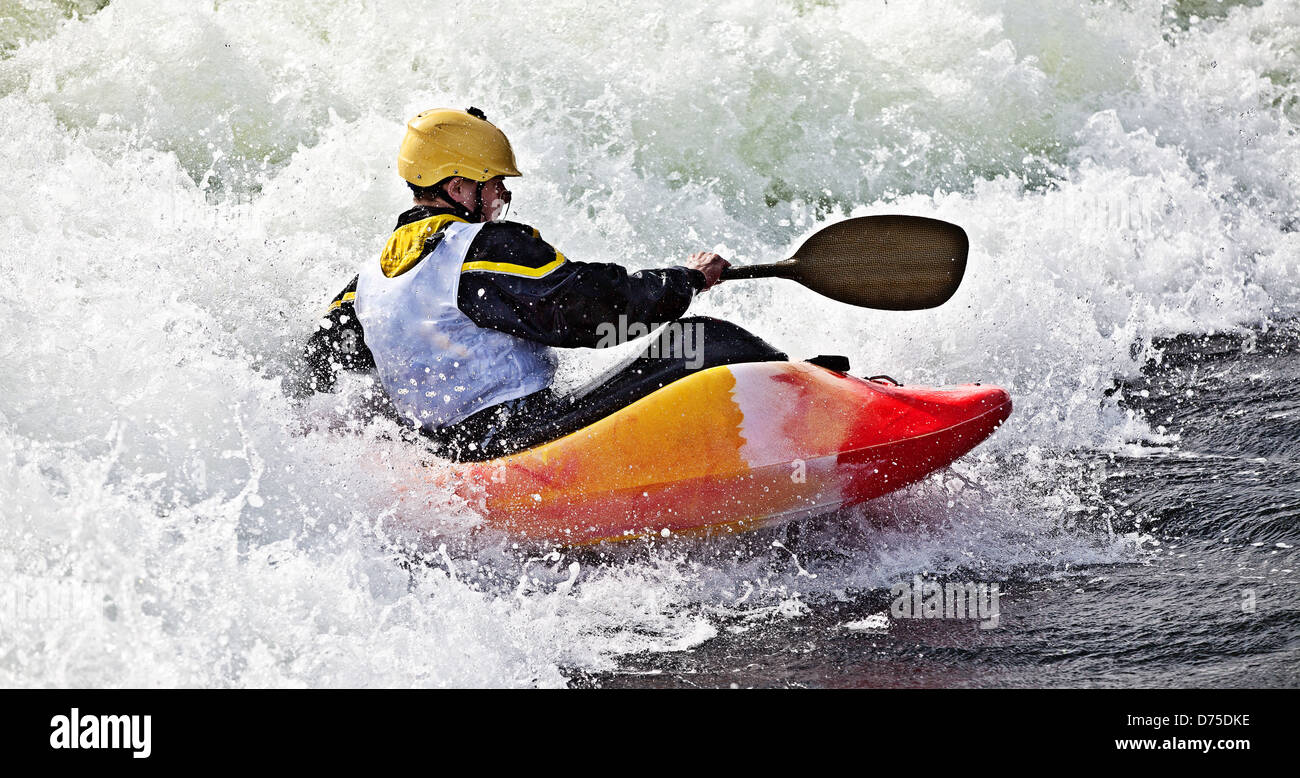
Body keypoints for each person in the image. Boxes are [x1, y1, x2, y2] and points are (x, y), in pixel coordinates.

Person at [294, 107, 729, 458]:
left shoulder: (364, 285)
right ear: (459, 187)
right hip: (518, 441)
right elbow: (593, 313)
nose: (501, 196)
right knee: (703, 342)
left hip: (443, 456)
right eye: (495, 184)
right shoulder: (485, 249)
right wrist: (685, 280)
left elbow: (322, 366)